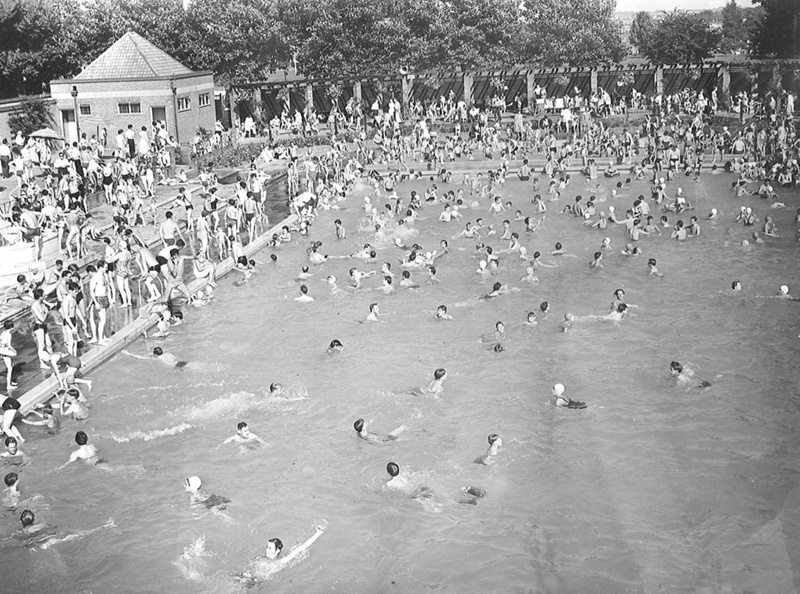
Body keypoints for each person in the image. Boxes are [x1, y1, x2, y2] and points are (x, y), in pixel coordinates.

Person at [235, 522, 327, 586]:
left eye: (270, 548)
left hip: (252, 582)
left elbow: (301, 548)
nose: (267, 550)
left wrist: (317, 534)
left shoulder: (279, 563)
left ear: (278, 550)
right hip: (245, 578)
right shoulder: (259, 558)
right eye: (267, 547)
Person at [13, 509, 115, 550]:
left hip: (38, 544)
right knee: (80, 534)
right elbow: (54, 528)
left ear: (20, 521)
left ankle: (106, 526)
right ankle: (106, 526)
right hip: (50, 540)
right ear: (33, 519)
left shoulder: (19, 532)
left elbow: (20, 541)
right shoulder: (41, 525)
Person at [123, 347, 188, 368]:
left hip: (177, 367)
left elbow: (140, 357)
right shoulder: (168, 354)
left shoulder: (158, 358)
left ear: (155, 354)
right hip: (181, 362)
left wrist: (128, 353)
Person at [0, 320, 17, 392]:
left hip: (1, 350)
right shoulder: (9, 335)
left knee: (11, 365)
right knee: (9, 369)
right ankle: (8, 386)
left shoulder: (3, 333)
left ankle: (10, 381)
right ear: (11, 327)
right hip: (5, 351)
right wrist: (14, 351)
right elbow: (9, 346)